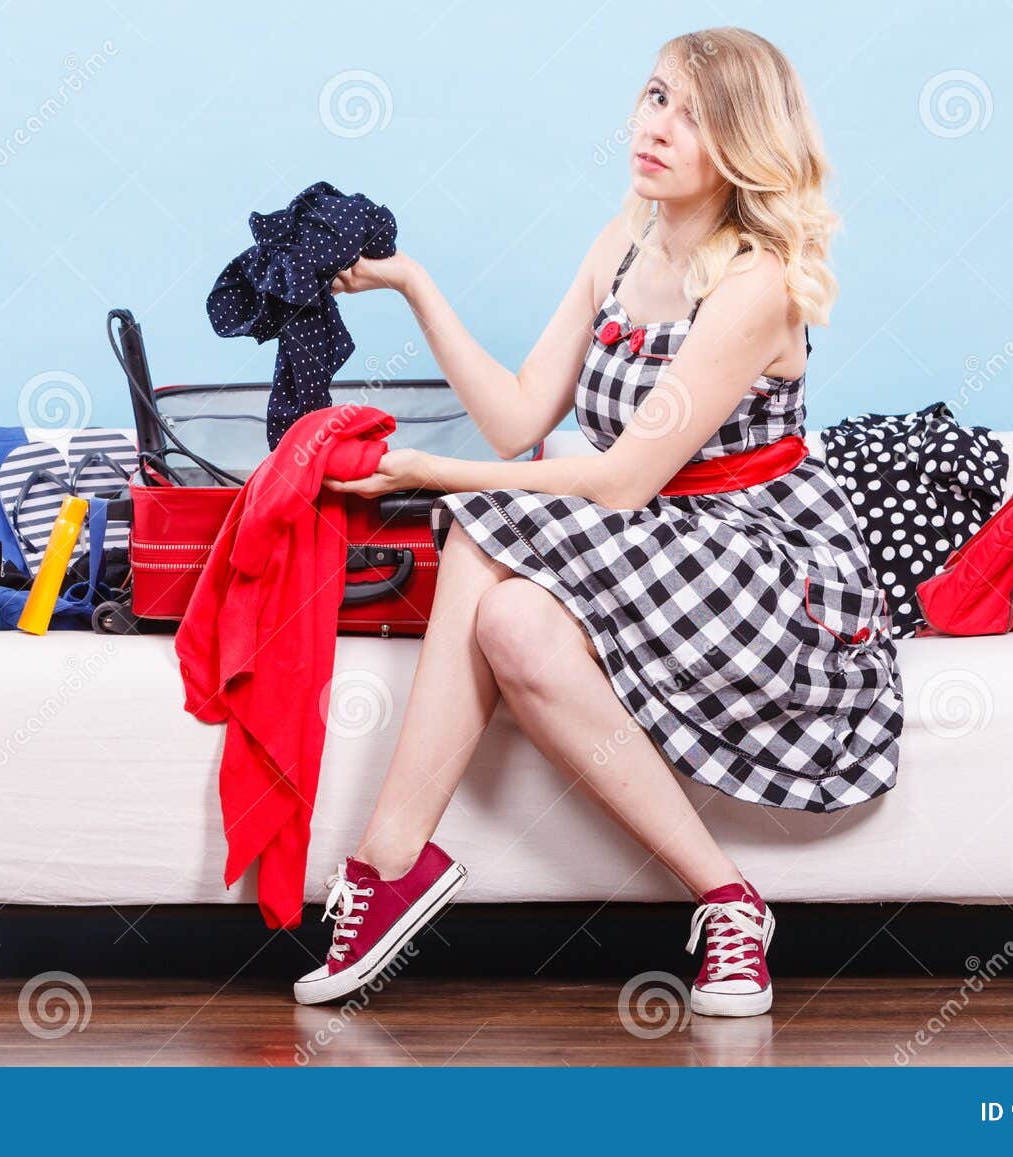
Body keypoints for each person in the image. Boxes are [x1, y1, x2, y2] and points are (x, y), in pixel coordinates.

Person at [294, 27, 904, 1016]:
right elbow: (519, 417)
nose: (655, 127)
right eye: (655, 96)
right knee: (512, 623)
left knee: (481, 519)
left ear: (744, 146)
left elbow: (622, 479)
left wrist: (426, 474)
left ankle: (387, 855)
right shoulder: (622, 239)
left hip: (756, 559)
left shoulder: (753, 283)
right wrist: (413, 283)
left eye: (693, 116)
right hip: (647, 544)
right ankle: (729, 899)